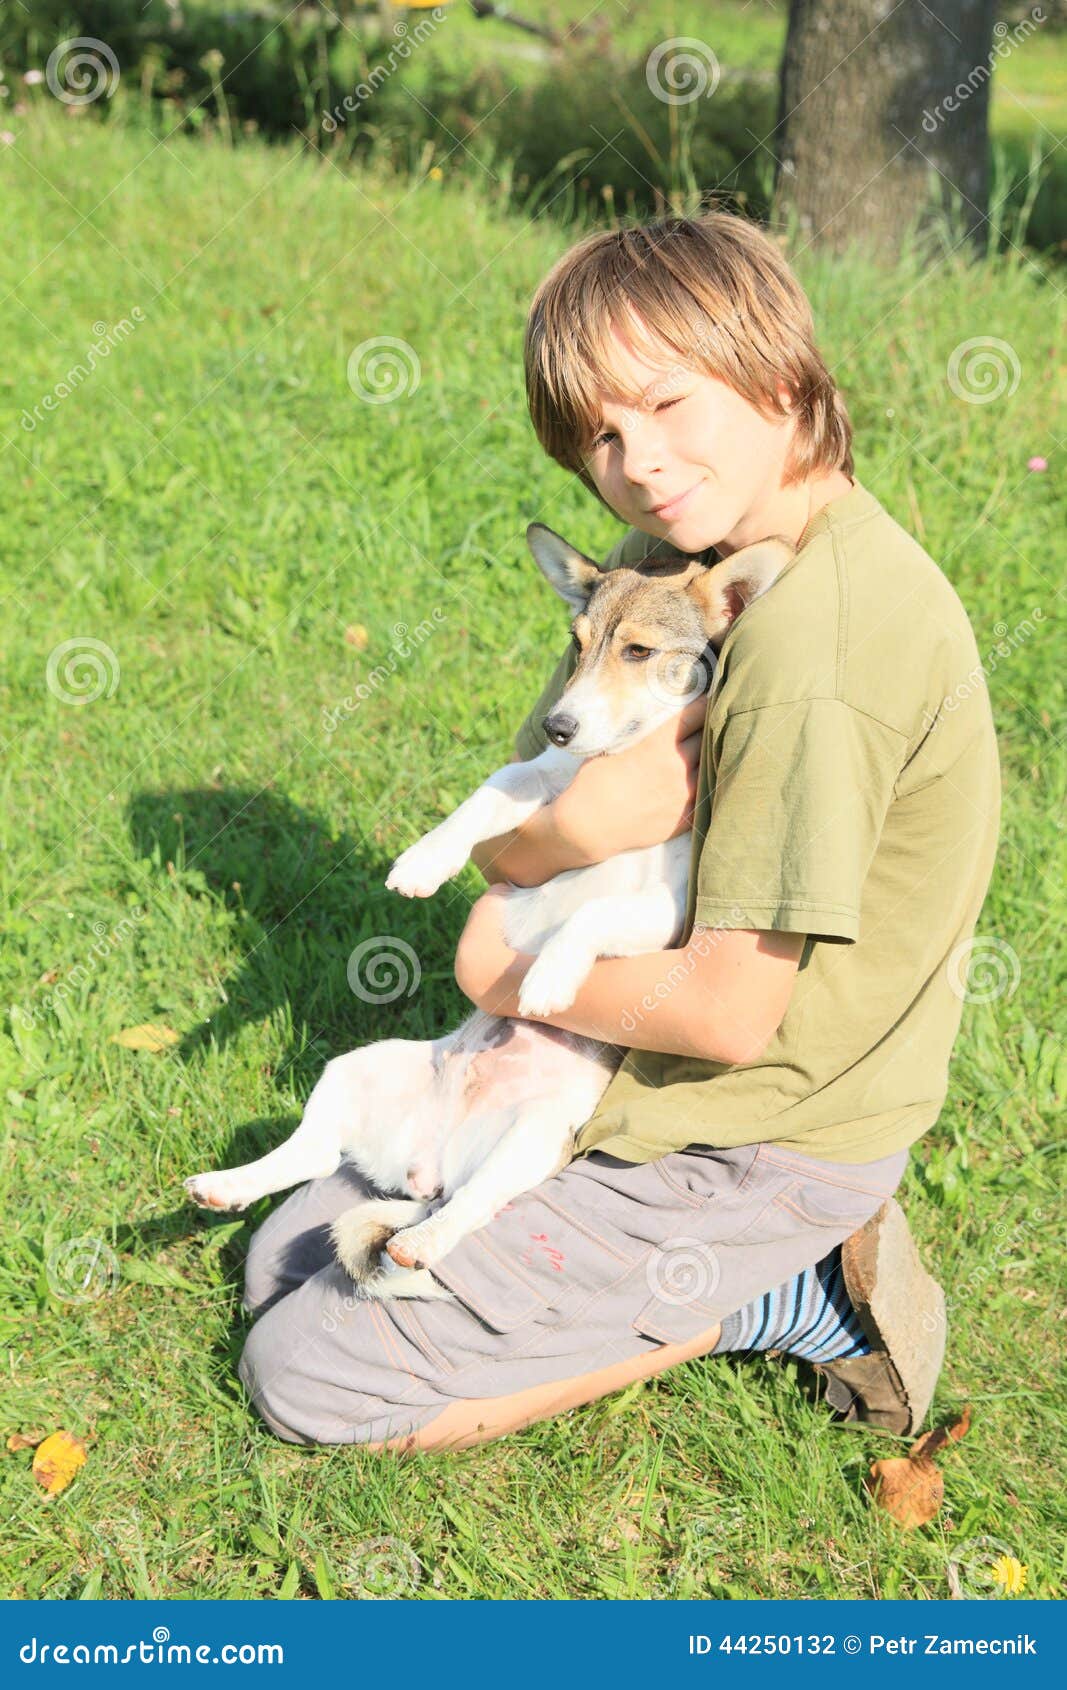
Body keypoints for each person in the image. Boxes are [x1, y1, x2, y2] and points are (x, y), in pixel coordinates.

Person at [237, 214, 1000, 1450]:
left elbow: (727, 1013)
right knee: (285, 1250)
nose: (638, 460)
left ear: (779, 373)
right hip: (608, 1050)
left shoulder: (816, 644)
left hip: (757, 1129)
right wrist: (545, 850)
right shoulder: (669, 560)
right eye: (600, 433)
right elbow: (538, 816)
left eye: (665, 402)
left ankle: (781, 1293)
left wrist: (490, 965)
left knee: (312, 1372)